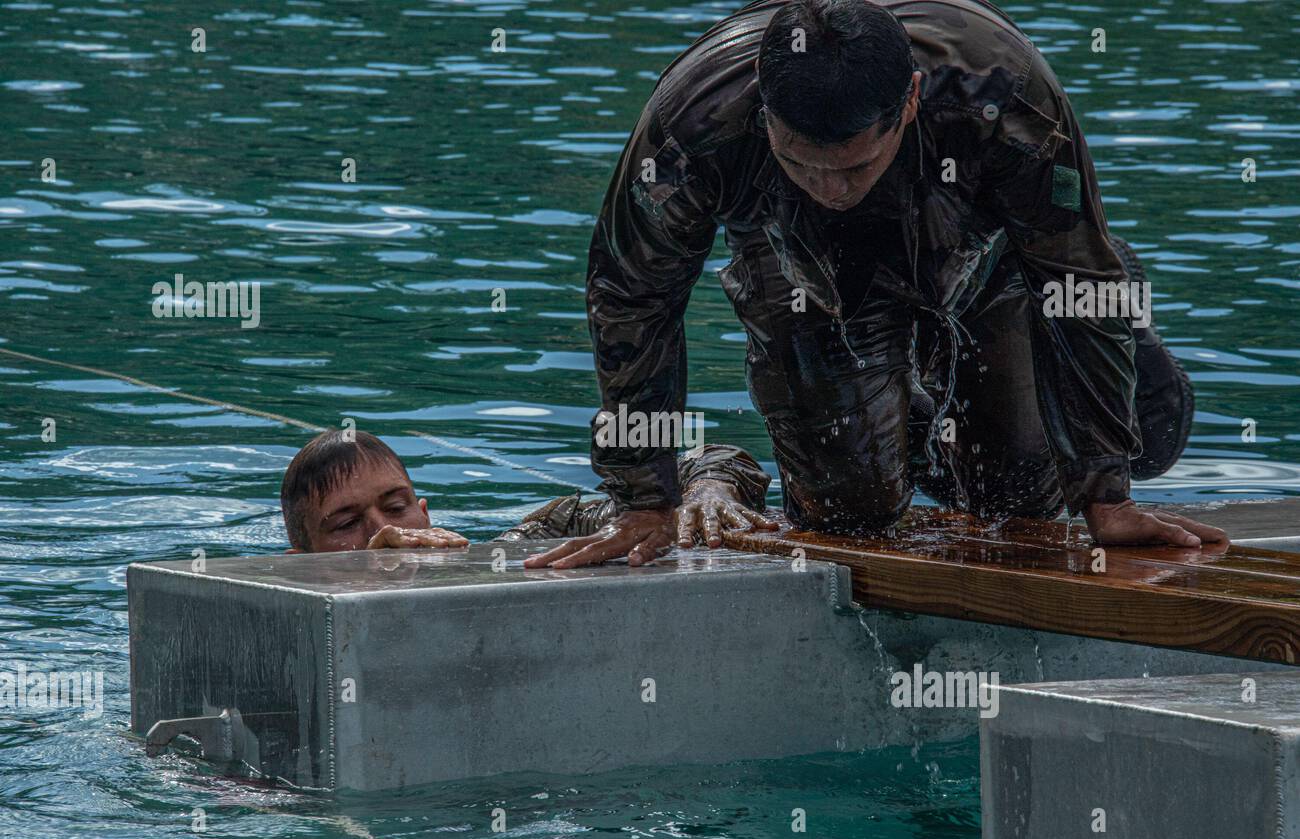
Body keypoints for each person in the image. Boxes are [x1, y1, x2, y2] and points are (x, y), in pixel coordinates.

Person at [526, 0, 1226, 571]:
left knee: (1025, 495)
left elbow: (1076, 275)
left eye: (854, 168)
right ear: (765, 115)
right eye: (803, 163)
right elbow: (631, 297)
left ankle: (968, 378)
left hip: (982, 251)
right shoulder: (694, 124)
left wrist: (1108, 499)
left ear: (911, 102)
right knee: (848, 514)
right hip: (798, 267)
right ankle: (904, 405)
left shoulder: (1001, 92)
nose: (832, 189)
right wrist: (644, 498)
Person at [279, 428, 775, 555]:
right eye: (346, 524)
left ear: (425, 515)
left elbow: (710, 457)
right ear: (298, 559)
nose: (384, 532)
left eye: (396, 507)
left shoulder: (520, 545)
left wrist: (710, 495)